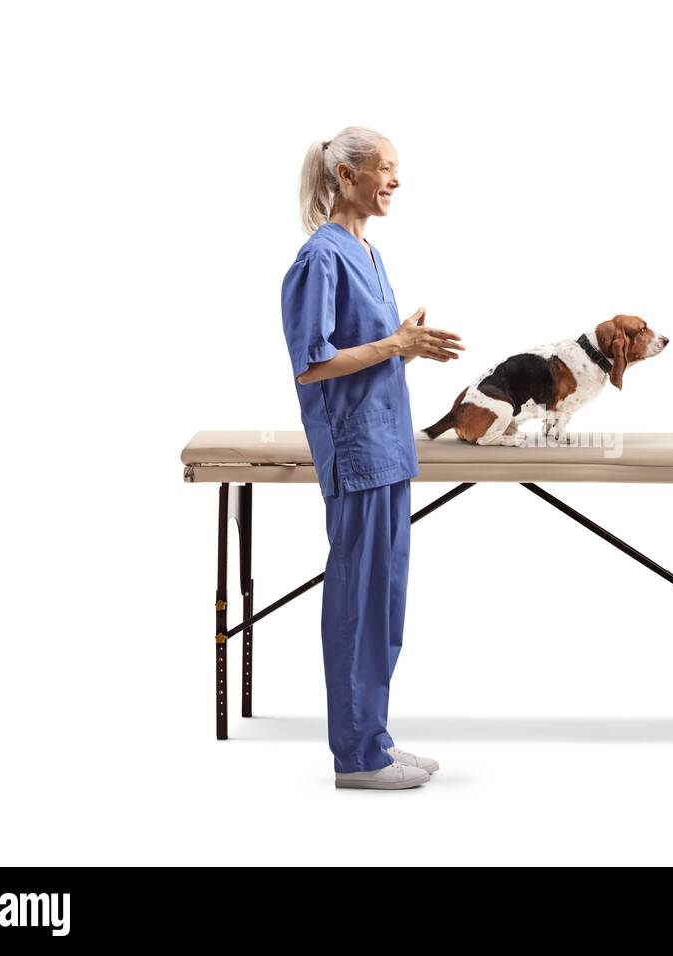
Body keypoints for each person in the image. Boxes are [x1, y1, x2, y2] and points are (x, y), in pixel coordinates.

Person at [280, 126, 465, 790]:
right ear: (346, 175)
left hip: (389, 448)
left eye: (396, 169)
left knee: (385, 601)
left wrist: (401, 341)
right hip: (357, 451)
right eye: (384, 168)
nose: (395, 180)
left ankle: (376, 738)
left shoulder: (370, 252)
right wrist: (396, 346)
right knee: (358, 602)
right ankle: (356, 755)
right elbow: (315, 366)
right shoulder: (320, 259)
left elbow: (377, 346)